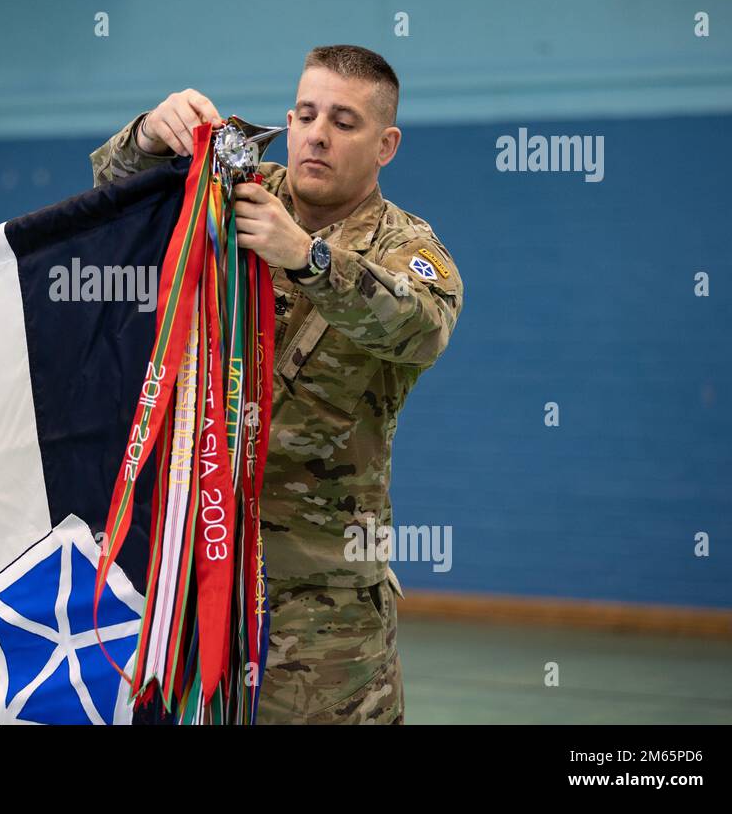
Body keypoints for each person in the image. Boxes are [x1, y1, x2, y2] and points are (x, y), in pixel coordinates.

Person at [91, 45, 464, 724]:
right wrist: (149, 133)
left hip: (323, 612)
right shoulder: (229, 193)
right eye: (307, 113)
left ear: (387, 144)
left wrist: (308, 257)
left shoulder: (404, 246)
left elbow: (419, 325)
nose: (317, 134)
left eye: (345, 122)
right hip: (194, 578)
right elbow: (110, 196)